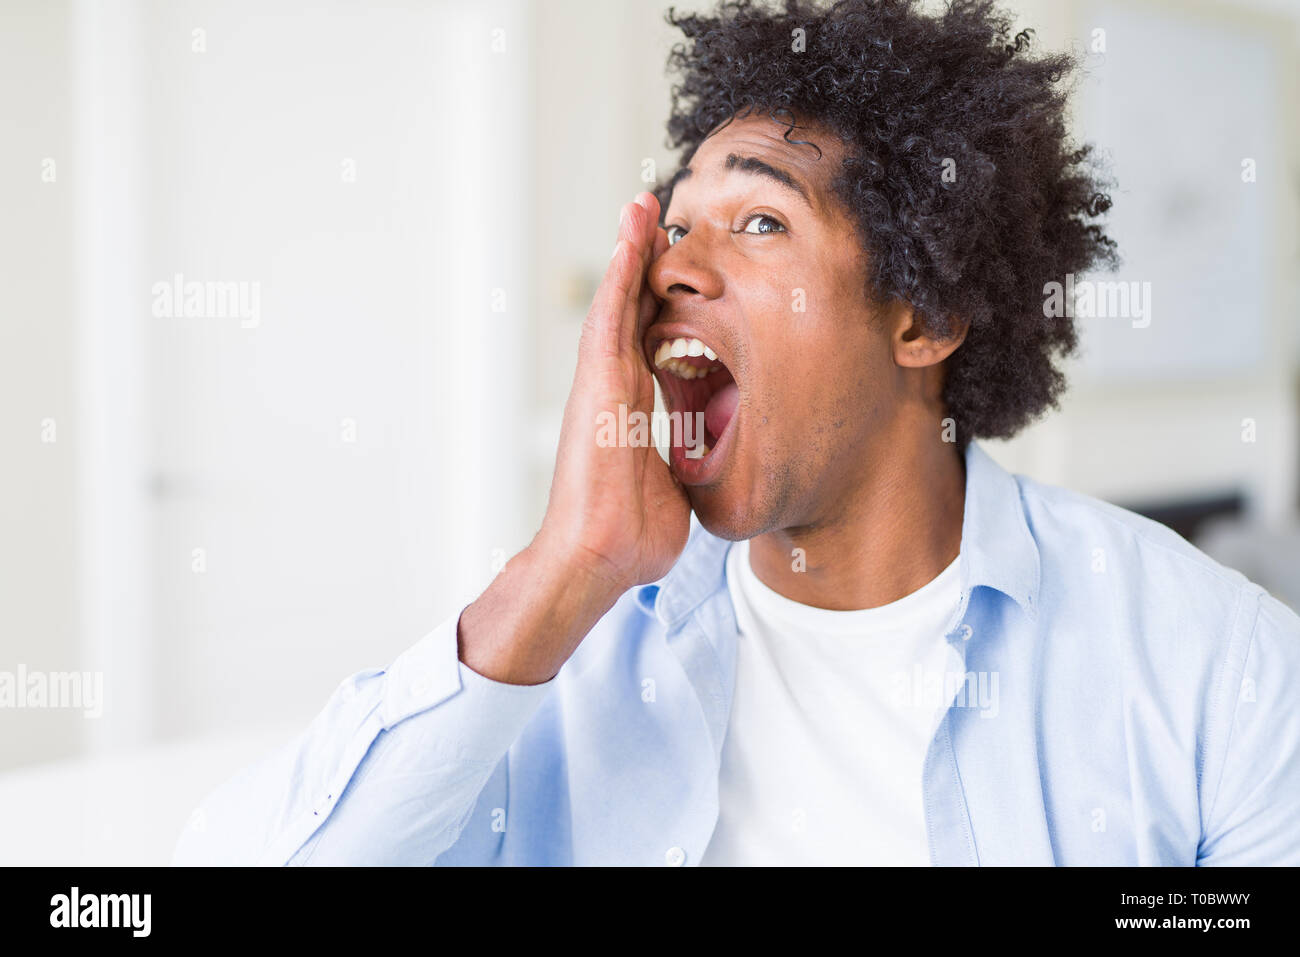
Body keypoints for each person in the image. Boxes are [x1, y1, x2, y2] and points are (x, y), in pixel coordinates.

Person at [173, 0, 1300, 866]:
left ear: (925, 314)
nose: (672, 267)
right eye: (673, 223)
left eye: (759, 219)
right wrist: (561, 572)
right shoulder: (569, 657)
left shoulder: (1212, 668)